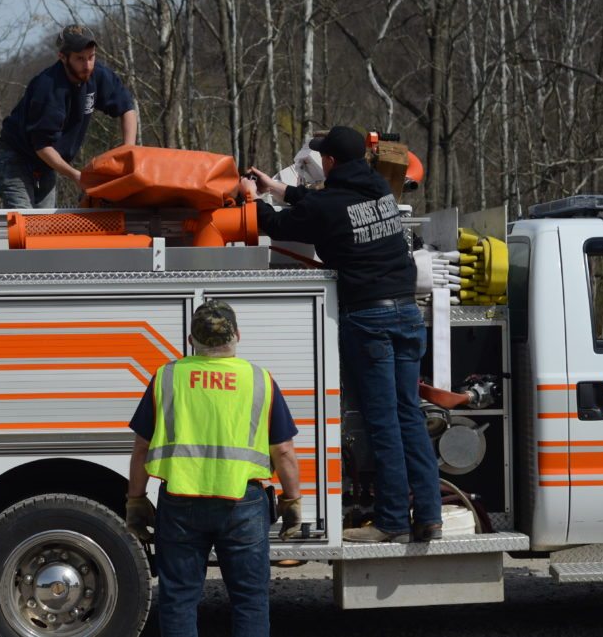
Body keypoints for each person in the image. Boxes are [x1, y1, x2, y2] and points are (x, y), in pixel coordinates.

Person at [240, 125, 442, 544]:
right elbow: (322, 203)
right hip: (407, 314)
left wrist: (251, 198)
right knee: (409, 416)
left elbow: (278, 224)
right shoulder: (381, 191)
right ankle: (428, 516)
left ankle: (392, 521)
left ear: (330, 161)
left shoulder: (329, 204)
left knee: (382, 422)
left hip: (369, 319)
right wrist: (276, 187)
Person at [126, 300, 302, 637]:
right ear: (237, 335)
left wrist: (135, 500)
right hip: (243, 503)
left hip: (180, 503)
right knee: (250, 600)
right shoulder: (259, 380)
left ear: (191, 340)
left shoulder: (167, 377)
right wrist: (291, 501)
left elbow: (142, 448)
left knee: (179, 599)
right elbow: (283, 451)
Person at [0, 24, 138, 209]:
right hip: (15, 159)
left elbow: (127, 109)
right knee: (22, 219)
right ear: (62, 57)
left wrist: (128, 152)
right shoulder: (48, 88)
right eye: (80, 59)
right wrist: (77, 176)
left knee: (45, 225)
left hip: (46, 165)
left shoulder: (98, 75)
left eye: (91, 57)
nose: (87, 65)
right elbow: (42, 146)